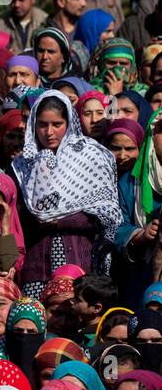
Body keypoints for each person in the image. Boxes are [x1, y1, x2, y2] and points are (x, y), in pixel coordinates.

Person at [13, 91, 121, 297]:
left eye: (57, 124)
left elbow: (106, 214)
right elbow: (17, 214)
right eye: (42, 124)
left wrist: (58, 222)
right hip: (36, 267)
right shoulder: (23, 164)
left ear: (69, 122)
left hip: (79, 263)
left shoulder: (90, 157)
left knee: (76, 317)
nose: (49, 132)